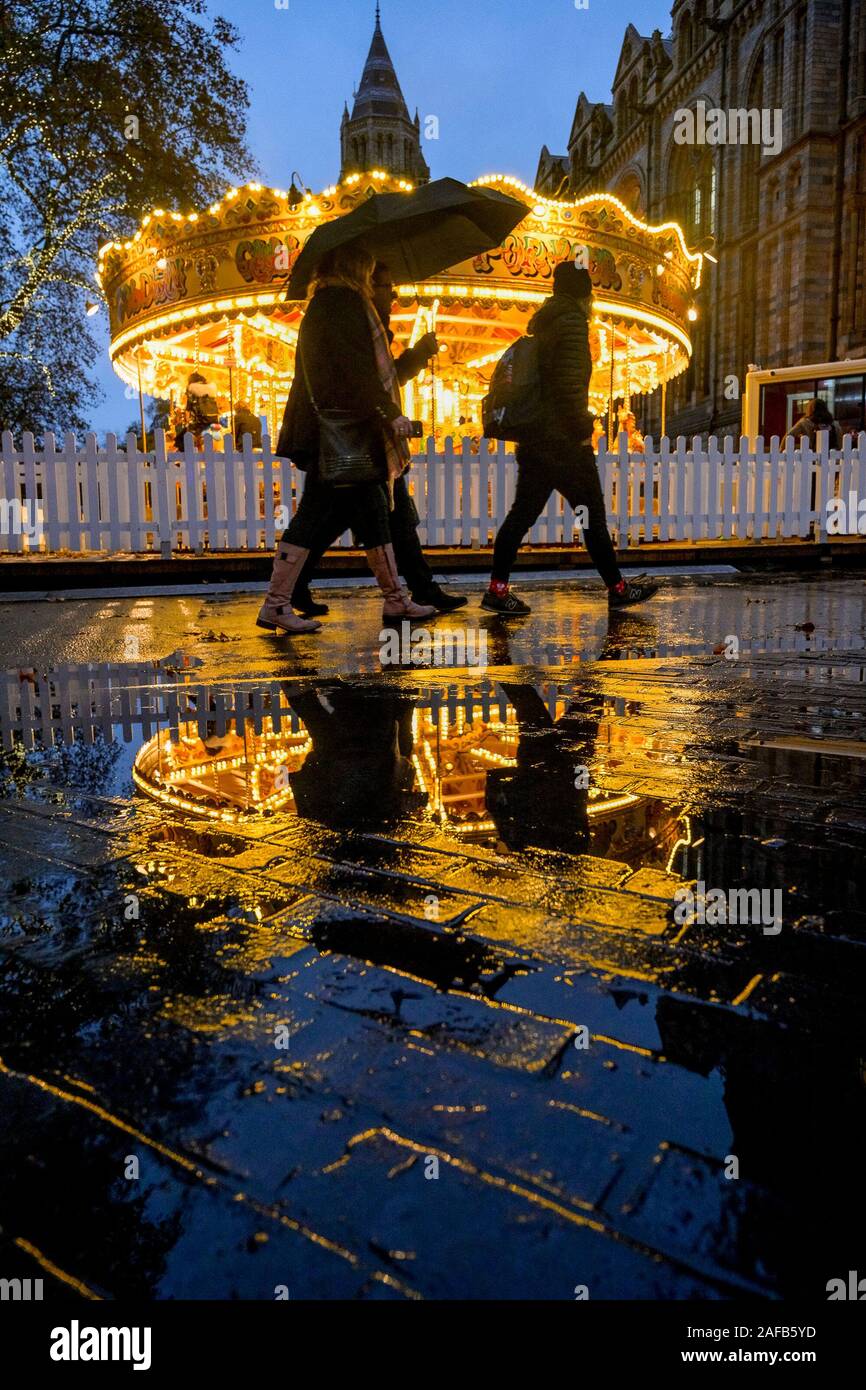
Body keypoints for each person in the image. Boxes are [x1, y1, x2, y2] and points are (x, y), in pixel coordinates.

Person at [256, 243, 436, 636]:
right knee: (321, 517)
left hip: (338, 430)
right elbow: (355, 371)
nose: (373, 273)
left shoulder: (327, 304)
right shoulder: (343, 304)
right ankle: (277, 604)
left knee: (370, 512)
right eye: (369, 265)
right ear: (356, 263)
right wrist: (390, 413)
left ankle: (392, 598)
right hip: (345, 432)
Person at [290, 261, 468, 618]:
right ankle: (289, 593)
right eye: (386, 286)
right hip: (349, 435)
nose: (393, 295)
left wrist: (416, 355)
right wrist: (389, 412)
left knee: (386, 514)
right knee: (332, 518)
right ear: (368, 285)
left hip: (363, 434)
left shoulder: (369, 324)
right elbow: (359, 378)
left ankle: (415, 589)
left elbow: (383, 379)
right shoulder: (346, 315)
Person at [482, 261, 658, 616]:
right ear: (584, 295)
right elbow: (569, 385)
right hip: (563, 442)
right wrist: (582, 428)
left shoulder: (546, 324)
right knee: (591, 517)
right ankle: (618, 588)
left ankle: (498, 590)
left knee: (522, 515)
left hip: (537, 439)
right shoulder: (573, 324)